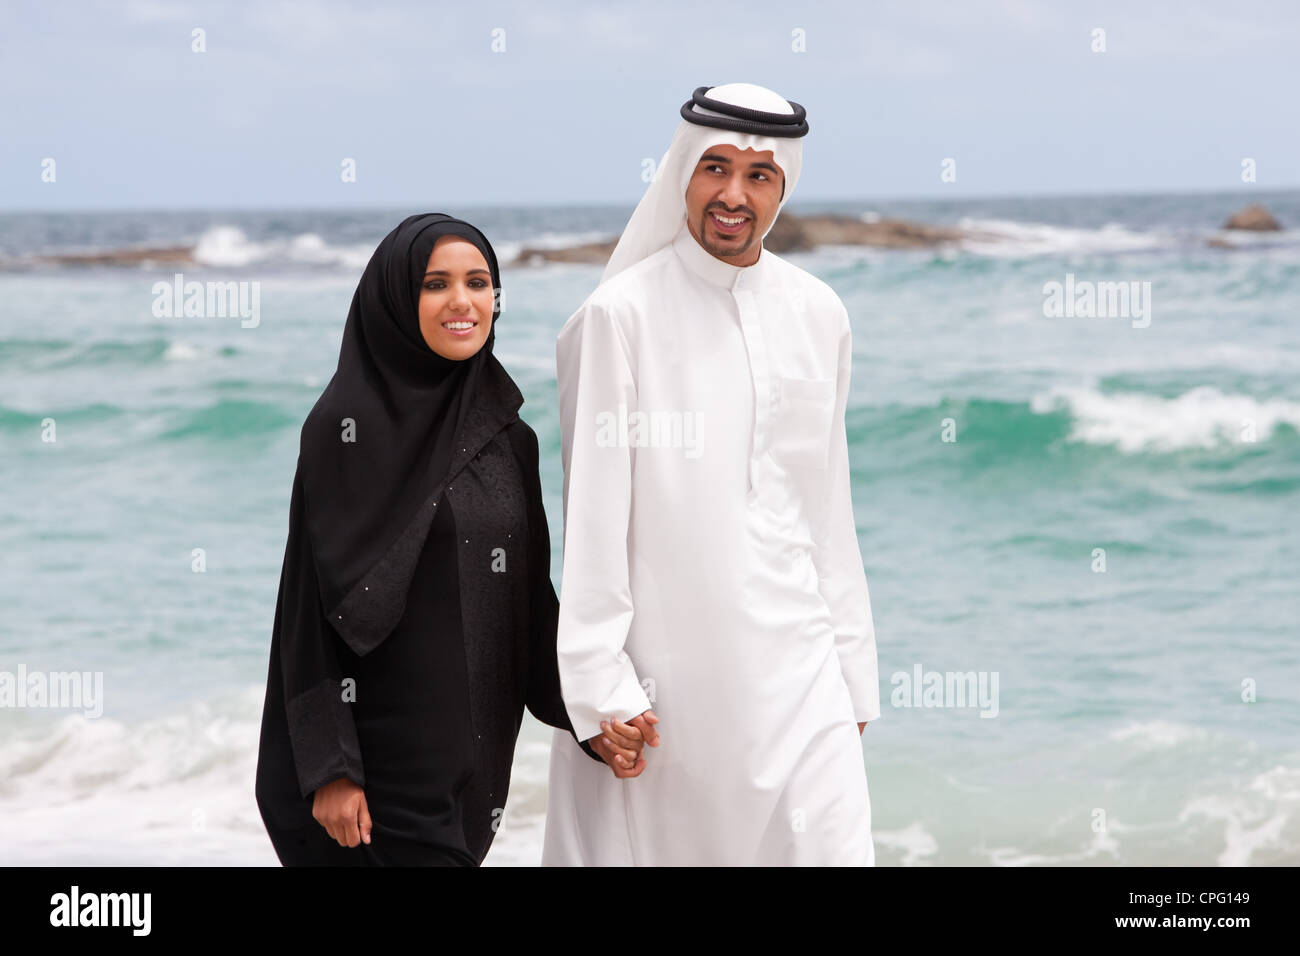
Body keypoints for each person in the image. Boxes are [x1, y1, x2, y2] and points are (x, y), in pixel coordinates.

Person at [541, 84, 881, 865]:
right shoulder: (619, 316)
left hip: (804, 676)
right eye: (714, 168)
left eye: (759, 175)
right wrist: (598, 684)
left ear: (785, 186)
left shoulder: (820, 311)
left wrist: (854, 672)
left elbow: (827, 506)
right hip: (668, 685)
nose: (733, 194)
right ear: (681, 175)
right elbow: (593, 516)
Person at [254, 213, 632, 866]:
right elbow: (305, 614)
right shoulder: (345, 429)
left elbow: (530, 607)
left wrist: (592, 713)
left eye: (479, 282)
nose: (463, 301)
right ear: (399, 300)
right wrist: (330, 768)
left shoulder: (509, 439)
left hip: (474, 765)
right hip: (375, 776)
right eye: (436, 284)